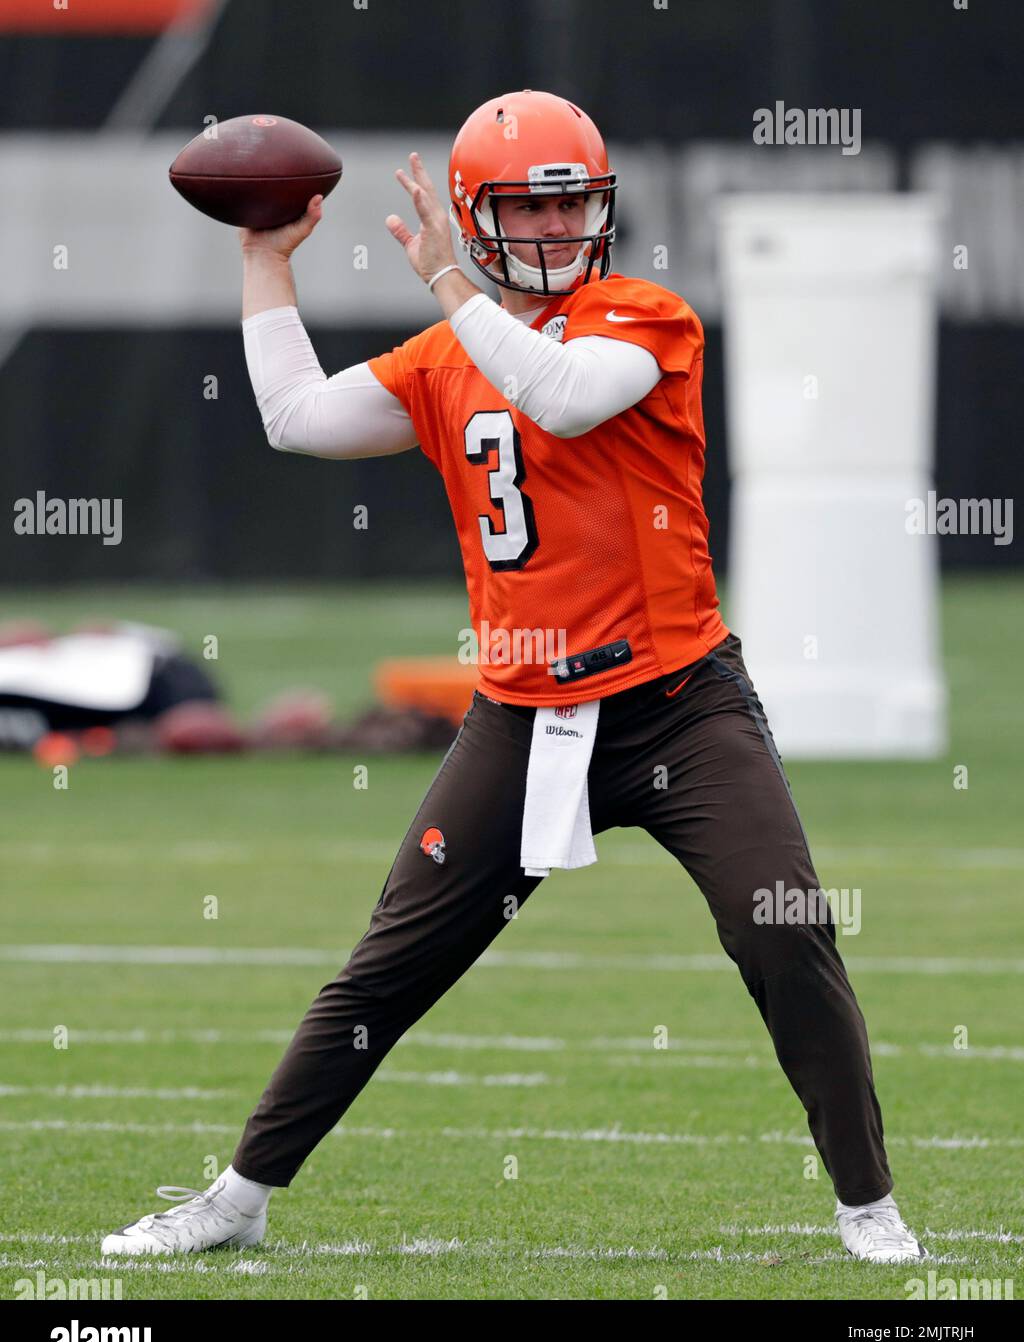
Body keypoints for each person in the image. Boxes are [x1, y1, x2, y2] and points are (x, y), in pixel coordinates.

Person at [103, 90, 927, 1264]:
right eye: (528, 207)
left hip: (677, 702)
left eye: (571, 201)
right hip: (524, 711)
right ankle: (236, 1196)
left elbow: (560, 392)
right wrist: (262, 260)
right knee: (386, 970)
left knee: (780, 925)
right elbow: (294, 416)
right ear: (482, 218)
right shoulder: (452, 352)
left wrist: (450, 286)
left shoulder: (644, 319)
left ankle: (867, 1205)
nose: (553, 227)